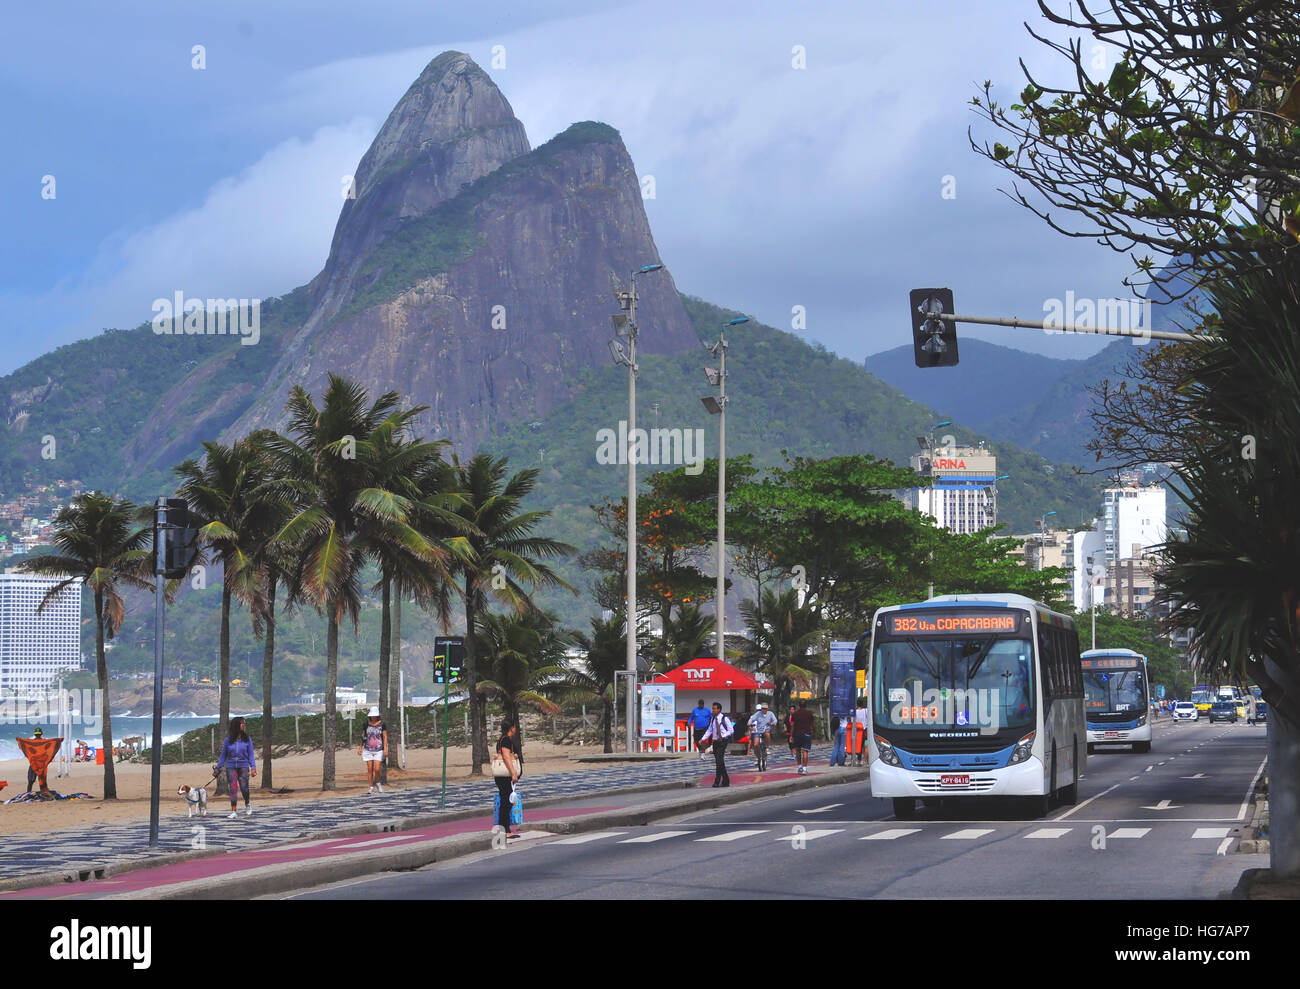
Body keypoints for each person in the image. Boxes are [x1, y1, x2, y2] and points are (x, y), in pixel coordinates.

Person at [215, 716, 257, 818]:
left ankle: (247, 804)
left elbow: (251, 754)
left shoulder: (247, 739)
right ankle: (234, 811)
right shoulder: (228, 740)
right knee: (233, 788)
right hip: (231, 767)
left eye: (244, 723)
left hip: (243, 766)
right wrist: (218, 768)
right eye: (242, 723)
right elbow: (223, 756)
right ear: (236, 726)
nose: (244, 725)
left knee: (244, 788)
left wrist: (253, 767)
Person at [492, 719, 521, 838]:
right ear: (511, 728)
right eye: (514, 727)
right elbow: (506, 757)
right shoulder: (506, 740)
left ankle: (504, 827)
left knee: (505, 800)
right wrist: (513, 773)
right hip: (505, 776)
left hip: (503, 777)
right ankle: (505, 830)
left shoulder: (502, 739)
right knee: (506, 802)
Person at [698, 702, 734, 787]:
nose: (713, 710)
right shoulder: (713, 719)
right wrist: (703, 739)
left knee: (719, 760)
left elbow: (731, 730)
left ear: (719, 709)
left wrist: (722, 736)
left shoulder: (724, 719)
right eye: (712, 708)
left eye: (714, 709)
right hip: (715, 742)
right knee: (719, 762)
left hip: (722, 741)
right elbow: (709, 730)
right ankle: (726, 780)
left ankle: (717, 781)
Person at [358, 706, 388, 794]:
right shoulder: (366, 724)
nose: (373, 717)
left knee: (377, 768)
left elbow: (385, 737)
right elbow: (363, 736)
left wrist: (385, 748)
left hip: (378, 749)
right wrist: (360, 747)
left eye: (375, 715)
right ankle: (371, 787)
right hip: (368, 749)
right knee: (369, 769)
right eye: (372, 715)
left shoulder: (382, 724)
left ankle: (378, 783)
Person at [748, 703, 777, 769]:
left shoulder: (770, 714)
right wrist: (749, 725)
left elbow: (775, 721)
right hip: (758, 731)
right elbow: (751, 719)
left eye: (765, 709)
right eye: (762, 709)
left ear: (767, 709)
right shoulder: (757, 714)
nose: (764, 710)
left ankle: (767, 747)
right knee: (755, 744)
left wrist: (772, 723)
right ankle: (758, 757)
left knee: (767, 733)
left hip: (766, 729)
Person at [790, 700, 815, 775]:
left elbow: (793, 726)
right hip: (807, 734)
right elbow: (812, 724)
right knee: (805, 751)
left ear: (799, 706)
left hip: (797, 734)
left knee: (798, 750)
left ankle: (799, 767)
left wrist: (791, 735)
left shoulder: (795, 714)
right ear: (806, 705)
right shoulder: (809, 713)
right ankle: (804, 768)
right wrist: (814, 732)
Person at [853, 697, 869, 765]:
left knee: (858, 745)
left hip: (858, 731)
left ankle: (859, 760)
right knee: (866, 746)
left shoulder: (855, 712)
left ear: (856, 705)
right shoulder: (866, 711)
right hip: (865, 732)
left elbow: (852, 721)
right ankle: (866, 760)